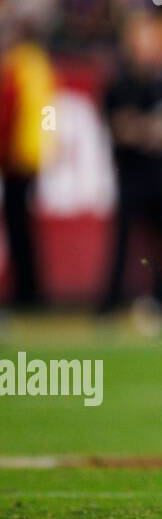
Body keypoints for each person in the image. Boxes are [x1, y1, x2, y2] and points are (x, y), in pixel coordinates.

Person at [98, 12, 162, 324]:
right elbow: (119, 128)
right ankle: (112, 302)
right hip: (130, 173)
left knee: (159, 240)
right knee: (123, 240)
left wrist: (141, 128)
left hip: (158, 175)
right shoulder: (119, 83)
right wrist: (148, 129)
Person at [0, 16, 54, 310]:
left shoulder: (22, 65)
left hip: (20, 156)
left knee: (19, 224)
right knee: (21, 224)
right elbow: (47, 110)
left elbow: (20, 111)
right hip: (26, 154)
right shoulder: (35, 64)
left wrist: (32, 147)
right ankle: (29, 290)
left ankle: (28, 291)